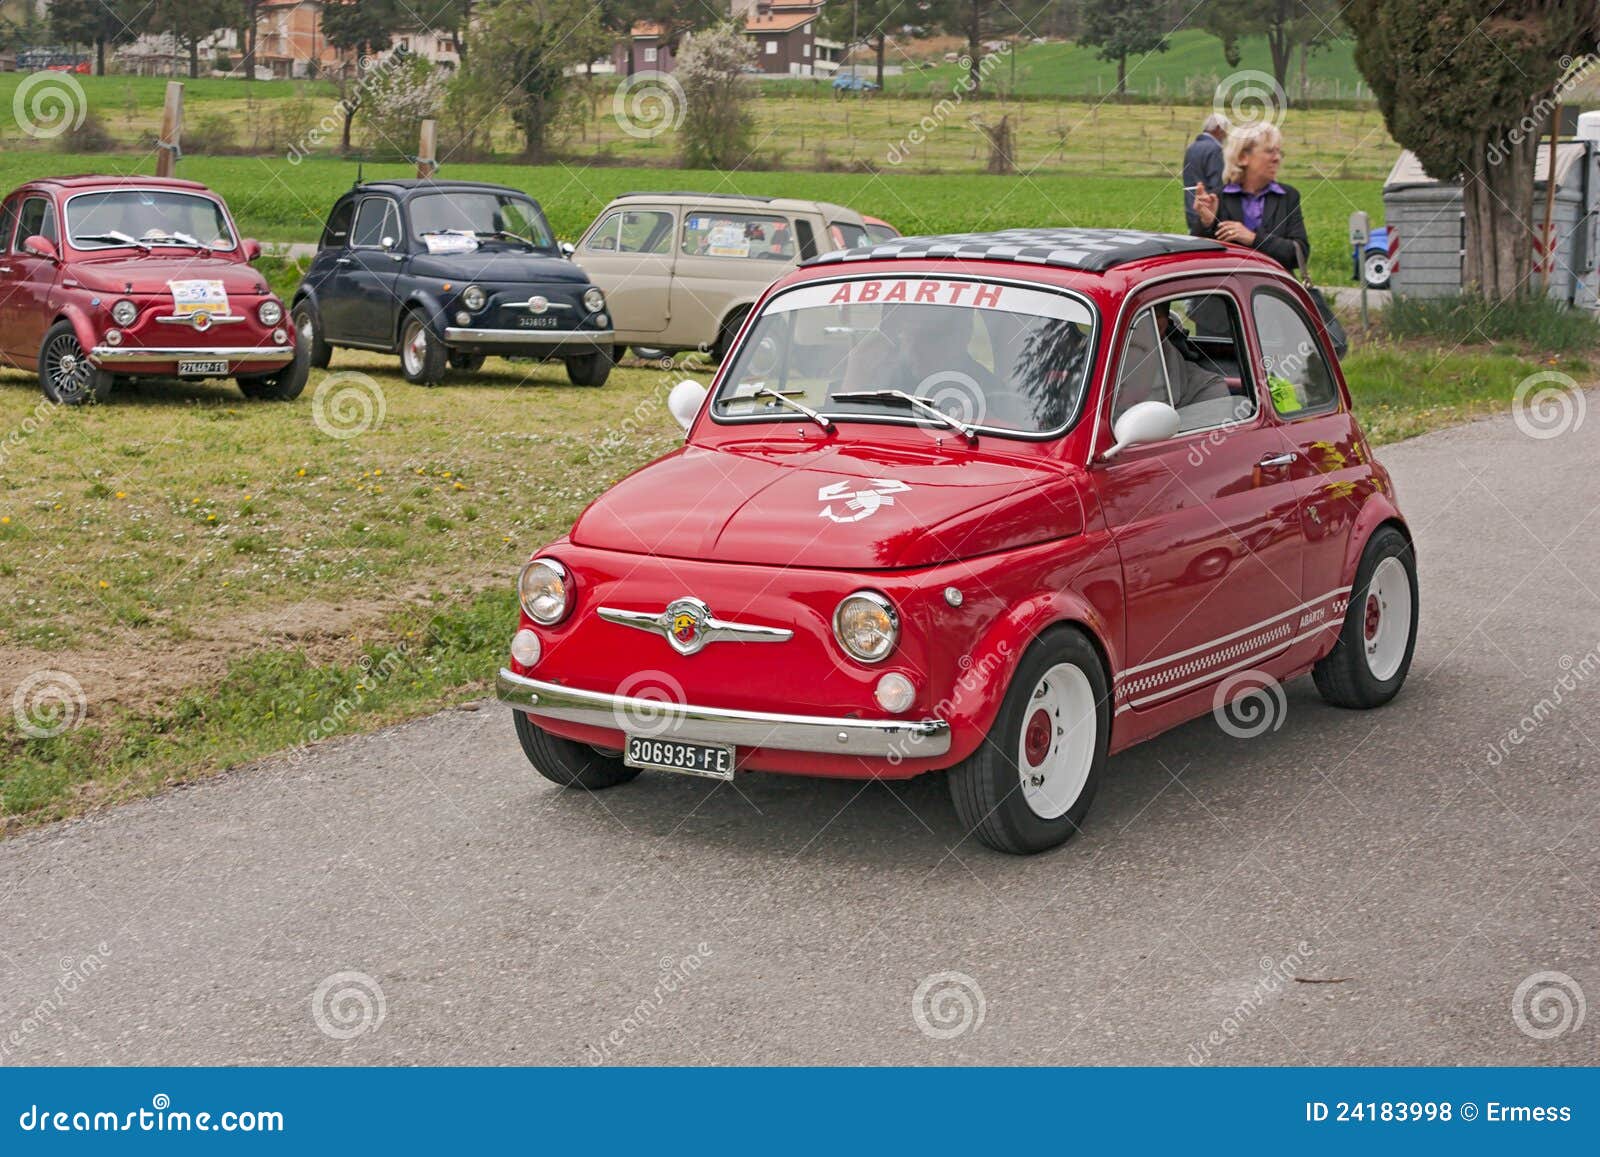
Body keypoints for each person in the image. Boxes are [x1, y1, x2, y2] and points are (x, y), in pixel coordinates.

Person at [1190, 122, 1310, 274]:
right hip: (1230, 293)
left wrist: (1253, 239)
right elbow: (1198, 259)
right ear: (1242, 157)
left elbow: (1299, 255)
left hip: (1276, 291)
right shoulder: (1217, 199)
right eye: (1270, 151)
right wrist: (1206, 223)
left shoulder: (1288, 196)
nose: (1277, 158)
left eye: (1279, 152)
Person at [1182, 113, 1229, 232]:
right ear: (1218, 128)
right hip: (1208, 213)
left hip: (1191, 208)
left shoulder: (1191, 147)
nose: (1226, 135)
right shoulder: (1215, 150)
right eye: (1225, 130)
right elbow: (1216, 184)